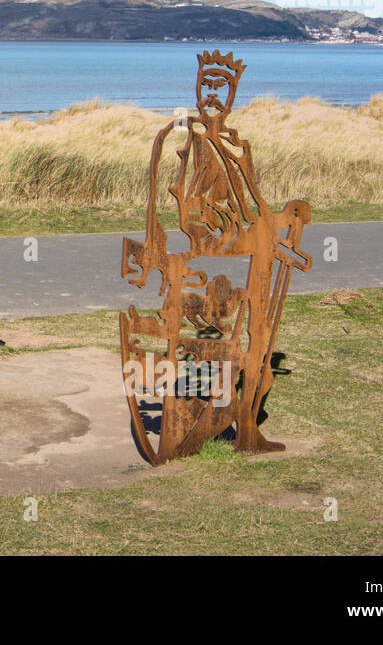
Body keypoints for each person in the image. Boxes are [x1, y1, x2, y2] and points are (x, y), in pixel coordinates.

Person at [120, 51, 310, 463]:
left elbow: (253, 207)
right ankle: (209, 419)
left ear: (232, 93)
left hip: (250, 253)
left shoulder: (236, 146)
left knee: (258, 352)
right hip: (205, 252)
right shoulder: (181, 137)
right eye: (206, 86)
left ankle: (247, 429)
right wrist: (155, 252)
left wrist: (284, 218)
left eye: (220, 88)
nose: (211, 95)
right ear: (197, 87)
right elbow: (162, 200)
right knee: (214, 343)